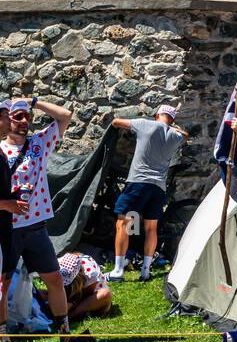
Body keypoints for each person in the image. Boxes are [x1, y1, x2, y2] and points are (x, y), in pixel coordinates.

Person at [0, 97, 73, 342]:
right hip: (8, 228)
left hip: (36, 226)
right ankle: (3, 339)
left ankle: (64, 332)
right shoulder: (1, 151)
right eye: (17, 117)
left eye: (26, 117)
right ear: (5, 119)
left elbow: (65, 116)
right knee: (4, 283)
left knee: (53, 278)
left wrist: (34, 102)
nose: (24, 122)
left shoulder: (38, 144)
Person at [109, 106, 188, 280]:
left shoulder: (145, 124)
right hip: (158, 187)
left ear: (157, 115)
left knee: (123, 224)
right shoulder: (175, 136)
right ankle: (145, 270)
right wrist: (171, 126)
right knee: (151, 228)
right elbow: (185, 135)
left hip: (138, 182)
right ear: (172, 120)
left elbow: (116, 122)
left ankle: (118, 270)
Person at [0, 100, 29, 342]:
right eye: (7, 117)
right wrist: (7, 204)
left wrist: (13, 198)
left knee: (1, 286)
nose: (12, 123)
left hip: (4, 228)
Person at [57, 251, 112, 320]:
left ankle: (70, 316)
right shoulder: (62, 263)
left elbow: (88, 295)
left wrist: (73, 303)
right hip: (73, 294)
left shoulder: (90, 274)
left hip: (90, 299)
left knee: (105, 294)